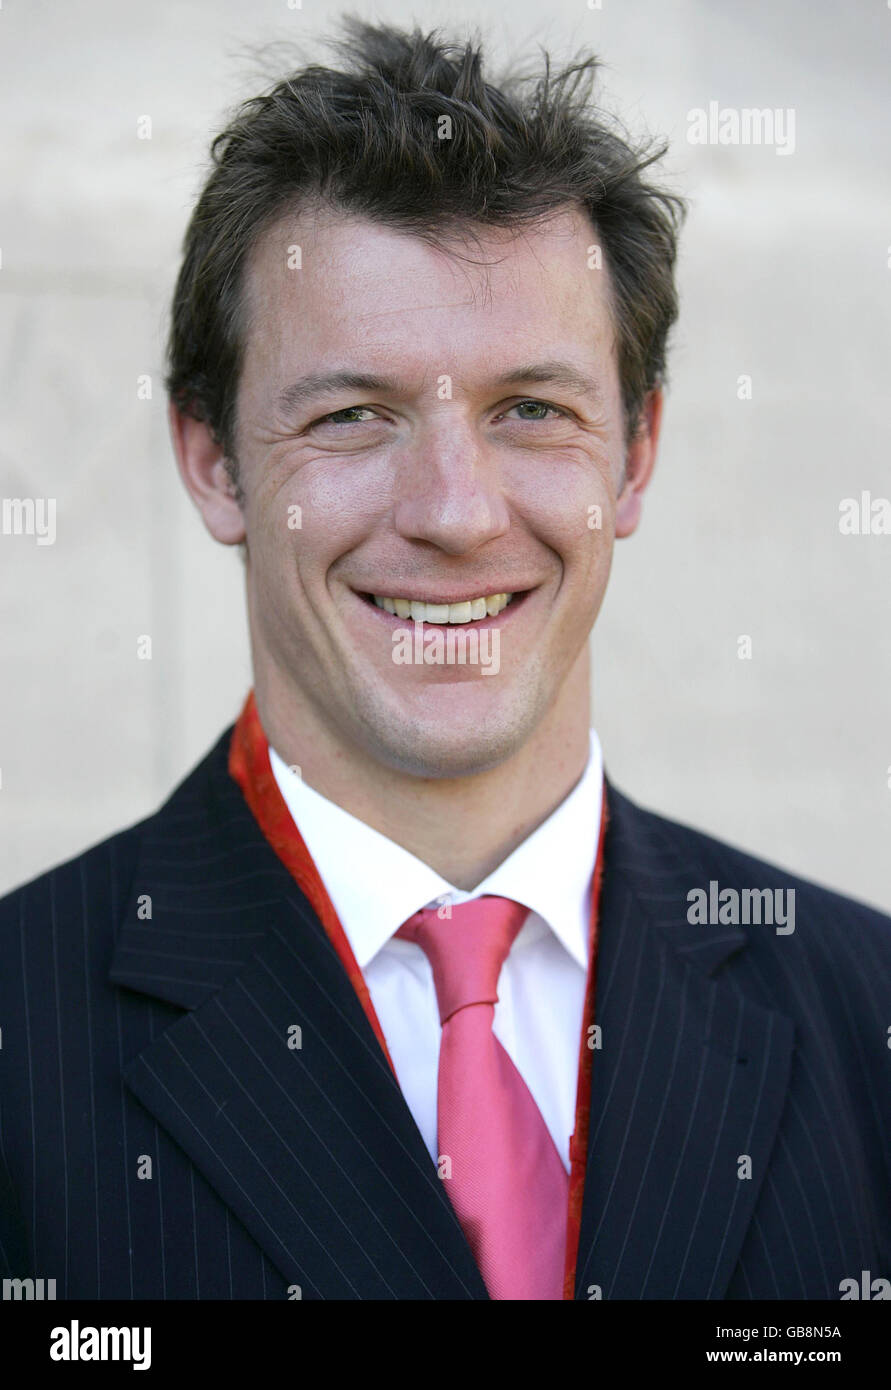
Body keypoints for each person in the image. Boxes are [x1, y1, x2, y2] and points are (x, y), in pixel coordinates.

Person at [0, 19, 888, 1302]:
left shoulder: (866, 1014)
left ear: (633, 455)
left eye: (532, 408)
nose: (457, 511)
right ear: (213, 461)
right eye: (354, 414)